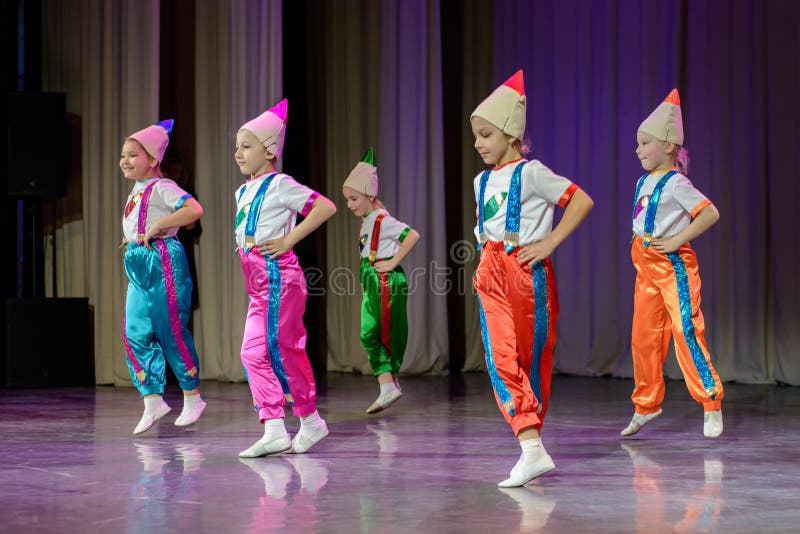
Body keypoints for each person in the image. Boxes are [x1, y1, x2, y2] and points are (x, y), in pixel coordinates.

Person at [470, 70, 594, 487]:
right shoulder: (480, 180)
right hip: (491, 270)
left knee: (531, 357)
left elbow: (580, 200)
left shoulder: (533, 172)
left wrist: (550, 242)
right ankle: (529, 444)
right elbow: (484, 222)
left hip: (527, 273)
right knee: (499, 356)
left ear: (509, 134)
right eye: (476, 136)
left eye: (486, 135)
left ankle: (534, 445)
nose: (478, 144)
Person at [233, 99, 337, 457]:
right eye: (237, 147)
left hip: (278, 275)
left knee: (281, 349)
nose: (239, 153)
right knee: (251, 353)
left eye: (247, 146)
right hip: (257, 281)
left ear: (270, 150)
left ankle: (310, 421)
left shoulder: (280, 183)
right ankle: (274, 428)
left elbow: (324, 206)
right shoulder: (242, 191)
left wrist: (289, 239)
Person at [622, 89, 724, 439]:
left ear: (668, 146)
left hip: (673, 266)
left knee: (685, 330)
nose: (638, 150)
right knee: (643, 338)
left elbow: (709, 212)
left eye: (645, 143)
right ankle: (646, 404)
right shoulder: (642, 181)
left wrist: (678, 240)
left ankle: (711, 402)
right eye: (637, 144)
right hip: (645, 266)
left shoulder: (678, 182)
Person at [120, 119, 206, 435]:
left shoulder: (163, 186)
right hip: (138, 260)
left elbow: (193, 210)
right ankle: (152, 398)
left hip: (164, 258)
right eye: (123, 155)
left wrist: (159, 226)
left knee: (170, 328)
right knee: (134, 330)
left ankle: (192, 394)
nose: (124, 161)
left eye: (132, 155)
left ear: (153, 160)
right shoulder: (137, 189)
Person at [342, 147, 420, 414]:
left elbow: (412, 235)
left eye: (353, 199)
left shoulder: (382, 219)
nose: (350, 205)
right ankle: (387, 385)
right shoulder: (368, 220)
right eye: (348, 200)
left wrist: (393, 262)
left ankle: (389, 383)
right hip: (371, 278)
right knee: (368, 332)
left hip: (385, 280)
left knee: (385, 333)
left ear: (370, 195)